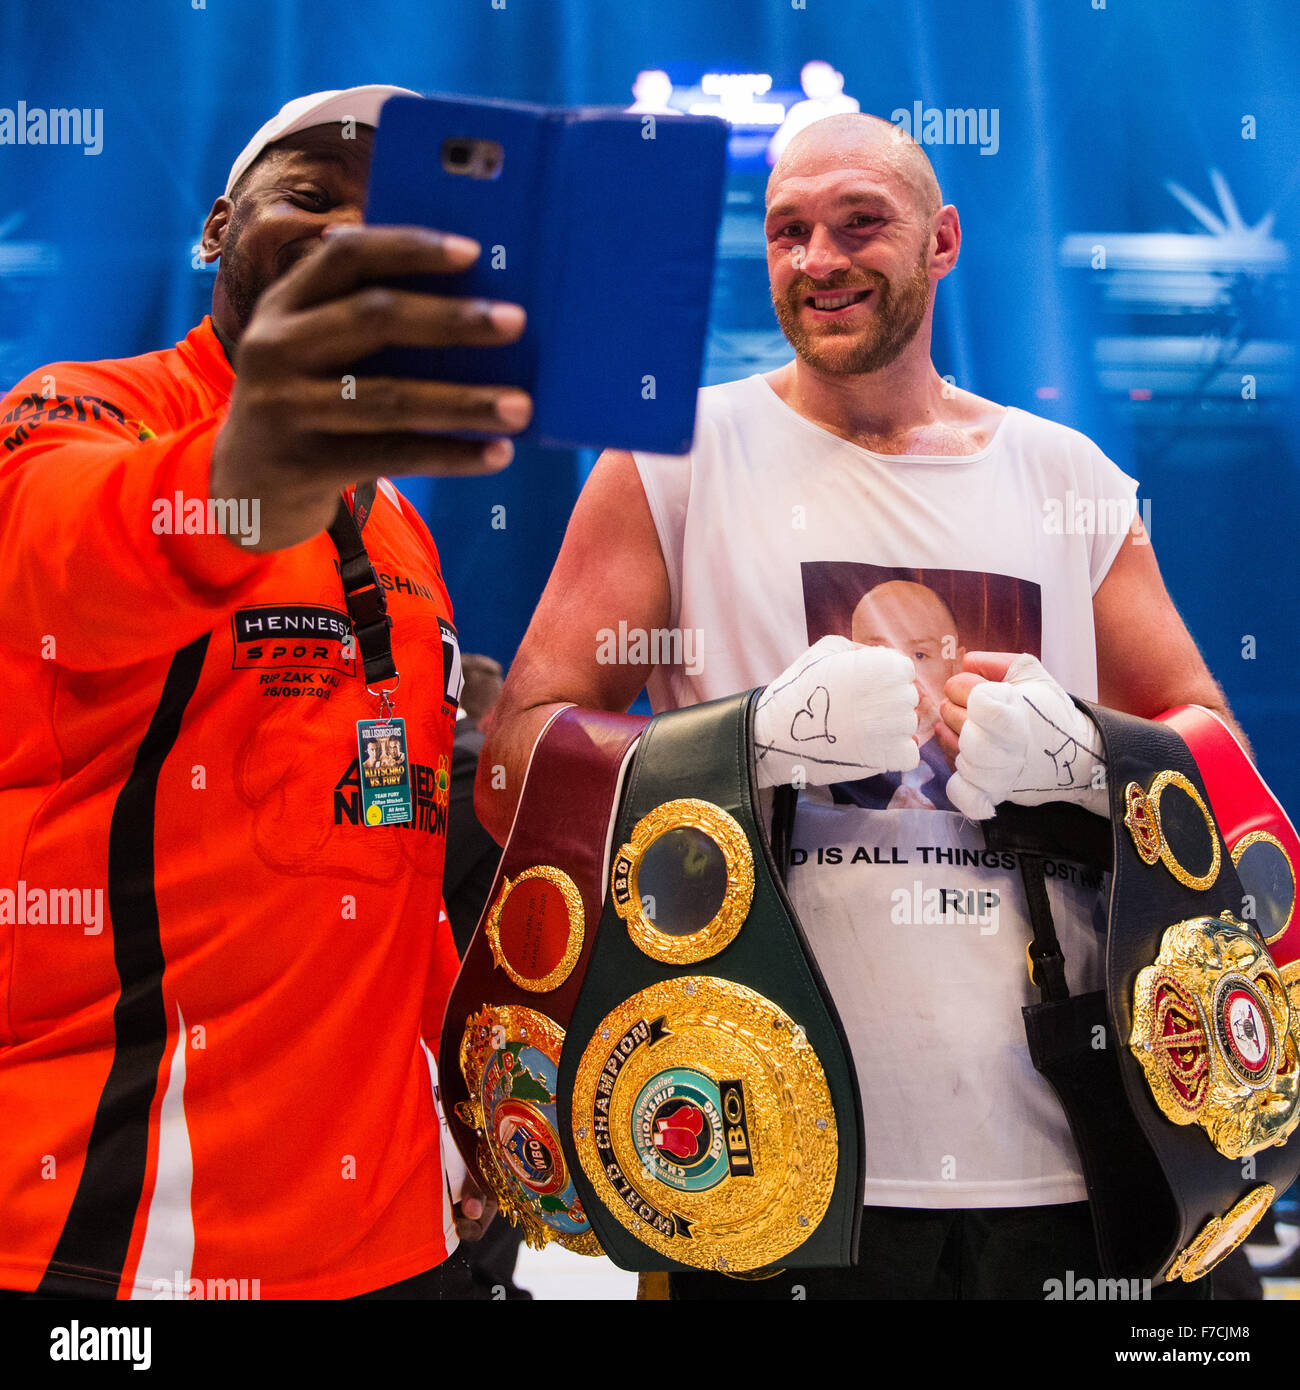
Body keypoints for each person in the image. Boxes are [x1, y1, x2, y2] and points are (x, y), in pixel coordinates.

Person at [478, 112, 1241, 1299]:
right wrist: (743, 746)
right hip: (748, 1147)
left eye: (857, 224)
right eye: (788, 231)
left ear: (940, 241)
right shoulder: (672, 457)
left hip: (1070, 1156)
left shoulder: (1067, 475)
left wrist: (1099, 760)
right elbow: (515, 764)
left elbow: (1218, 761)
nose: (816, 258)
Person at [0, 85, 534, 1299]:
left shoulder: (396, 517)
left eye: (384, 211)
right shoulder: (88, 411)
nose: (347, 229)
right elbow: (56, 556)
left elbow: (391, 848)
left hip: (405, 1226)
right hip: (133, 1238)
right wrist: (244, 477)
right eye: (308, 195)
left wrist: (462, 1094)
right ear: (214, 228)